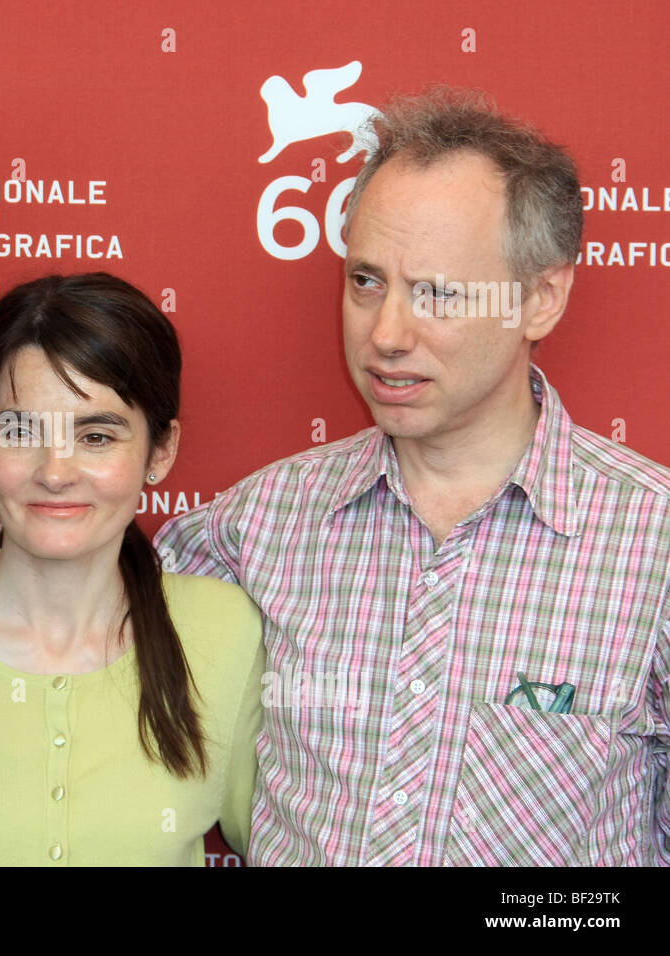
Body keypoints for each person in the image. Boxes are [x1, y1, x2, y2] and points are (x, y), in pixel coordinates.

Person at [156, 89, 670, 866]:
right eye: (366, 282)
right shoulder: (253, 527)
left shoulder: (653, 546)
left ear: (541, 298)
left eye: (437, 292)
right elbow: (45, 640)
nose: (387, 335)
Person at [0, 273, 265, 865]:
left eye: (96, 436)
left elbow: (298, 842)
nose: (56, 471)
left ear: (161, 450)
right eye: (20, 431)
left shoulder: (226, 633)